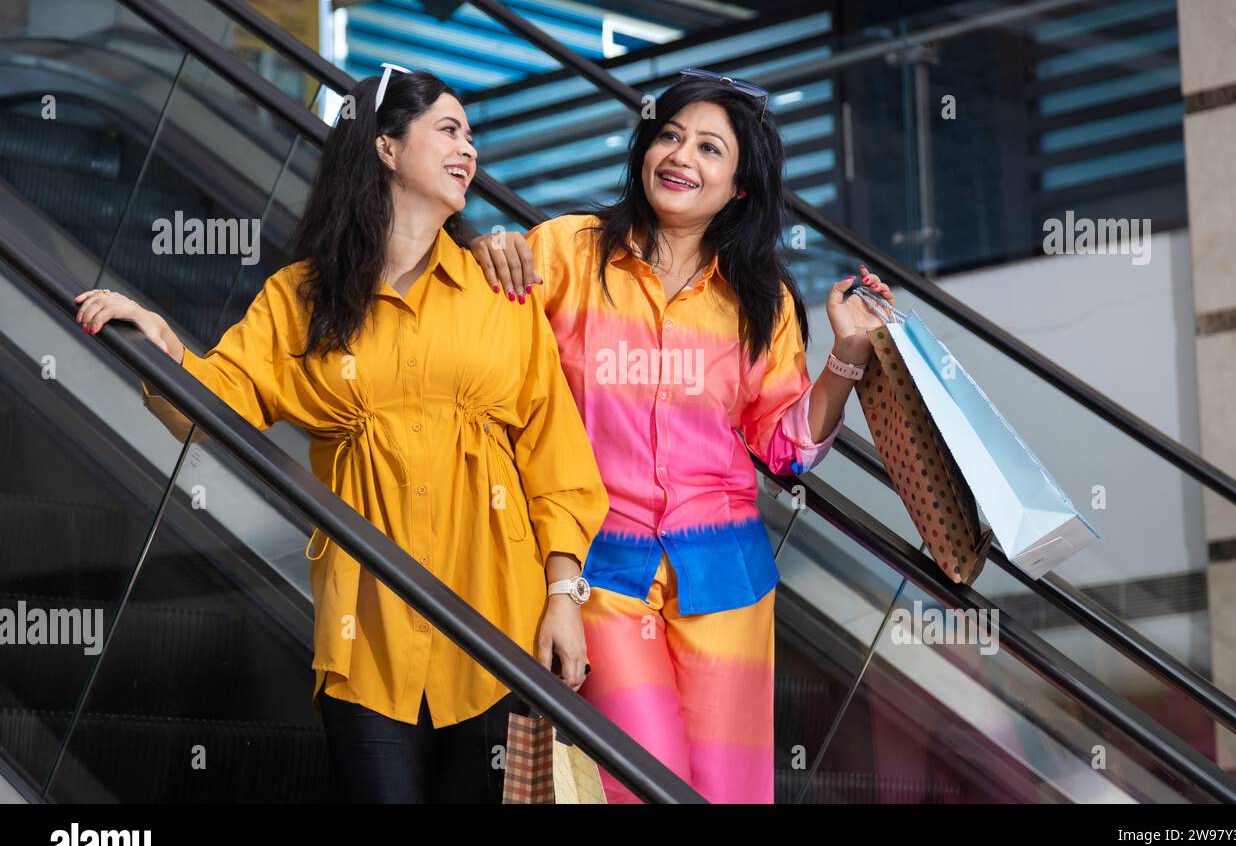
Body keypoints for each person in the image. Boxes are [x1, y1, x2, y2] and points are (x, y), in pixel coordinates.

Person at [73, 66, 608, 803]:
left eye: (472, 137)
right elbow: (212, 406)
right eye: (449, 130)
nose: (469, 151)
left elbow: (558, 461)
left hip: (502, 633)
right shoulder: (301, 300)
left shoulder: (500, 294)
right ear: (385, 148)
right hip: (368, 642)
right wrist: (163, 340)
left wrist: (564, 598)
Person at [468, 71, 896, 803]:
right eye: (669, 135)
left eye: (708, 147)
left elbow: (787, 447)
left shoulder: (759, 300)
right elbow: (481, 348)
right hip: (599, 569)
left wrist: (847, 353)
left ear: (739, 188)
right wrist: (486, 252)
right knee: (645, 782)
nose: (681, 154)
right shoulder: (568, 252)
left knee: (729, 795)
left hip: (725, 575)